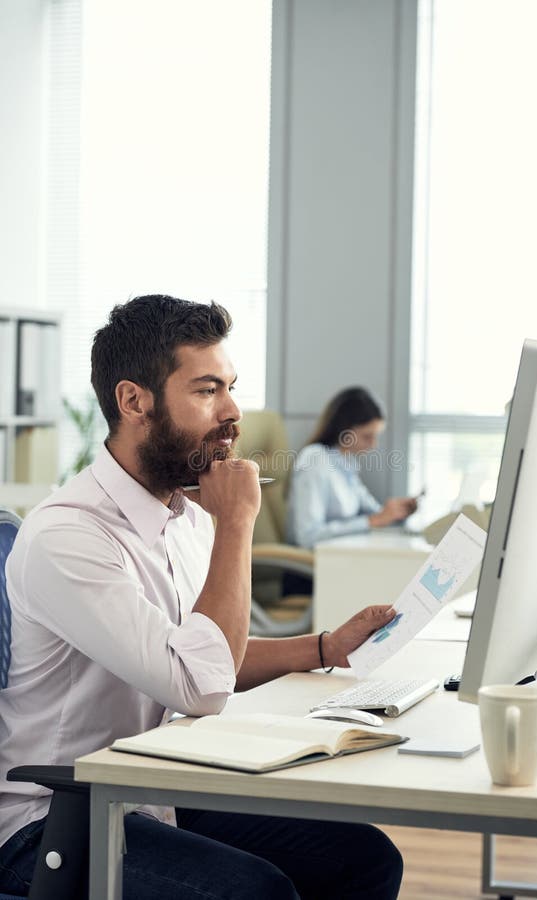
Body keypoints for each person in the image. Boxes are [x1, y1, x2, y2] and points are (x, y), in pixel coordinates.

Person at [0, 295, 403, 900]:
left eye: (229, 388)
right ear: (133, 401)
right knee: (255, 891)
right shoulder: (70, 535)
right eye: (207, 390)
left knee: (364, 859)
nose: (233, 411)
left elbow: (202, 653)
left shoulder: (183, 513)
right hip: (53, 821)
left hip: (149, 791)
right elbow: (200, 683)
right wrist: (237, 522)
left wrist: (325, 647)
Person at [286, 387, 418, 550]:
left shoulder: (345, 463)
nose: (373, 445)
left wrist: (396, 513)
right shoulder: (314, 460)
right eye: (367, 436)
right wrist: (372, 521)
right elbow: (308, 536)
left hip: (343, 555)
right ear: (344, 431)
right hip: (316, 561)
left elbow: (374, 513)